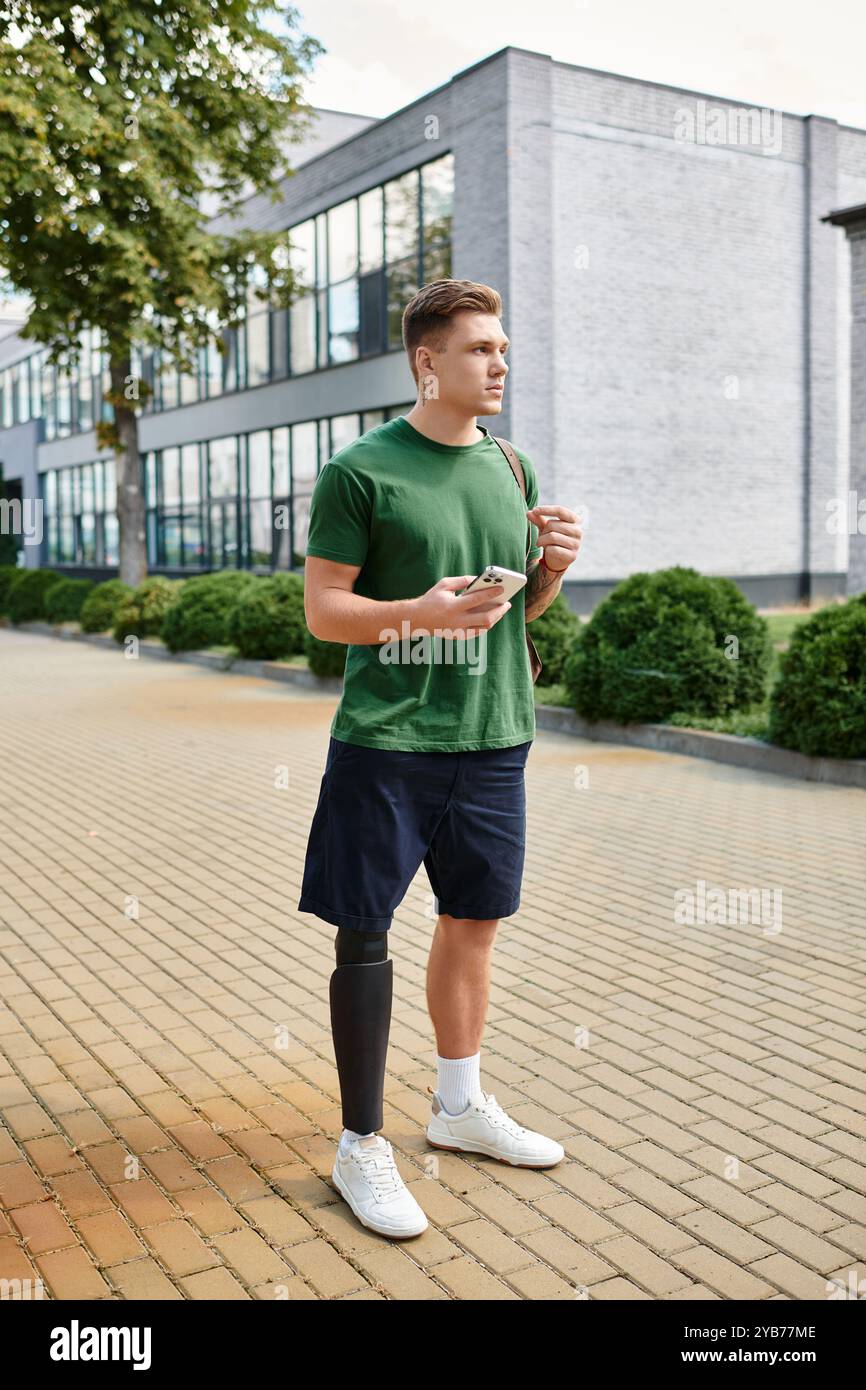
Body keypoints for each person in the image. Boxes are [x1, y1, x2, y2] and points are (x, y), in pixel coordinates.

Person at [297, 278, 583, 1239]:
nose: (499, 364)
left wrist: (549, 573)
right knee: (365, 934)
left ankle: (458, 1109)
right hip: (389, 744)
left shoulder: (513, 466)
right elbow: (324, 610)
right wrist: (419, 610)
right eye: (479, 350)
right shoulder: (361, 471)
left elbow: (518, 620)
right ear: (428, 361)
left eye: (503, 349)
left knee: (474, 922)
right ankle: (361, 1146)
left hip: (496, 736)